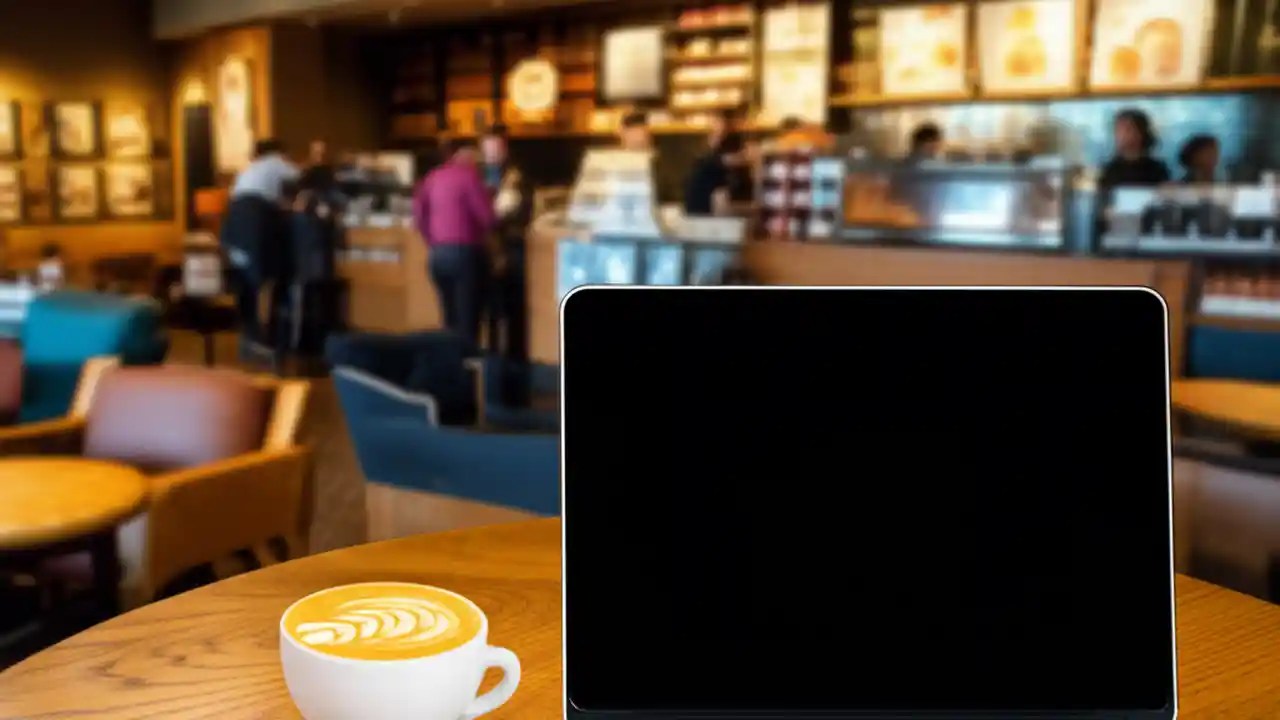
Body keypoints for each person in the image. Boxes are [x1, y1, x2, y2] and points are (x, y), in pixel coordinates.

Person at [412, 139, 496, 353]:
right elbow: (487, 219)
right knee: (468, 320)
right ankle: (467, 373)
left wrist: (434, 241)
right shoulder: (469, 177)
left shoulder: (432, 177)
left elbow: (418, 216)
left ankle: (449, 369)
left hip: (438, 256)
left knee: (449, 318)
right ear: (466, 157)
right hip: (465, 254)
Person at [224, 139, 297, 356]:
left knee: (246, 280)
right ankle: (262, 338)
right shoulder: (277, 163)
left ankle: (249, 336)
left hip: (235, 222)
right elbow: (301, 181)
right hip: (254, 221)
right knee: (262, 276)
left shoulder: (250, 170)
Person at [480, 125, 533, 363]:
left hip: (512, 247)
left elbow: (521, 211)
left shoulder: (517, 174)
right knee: (490, 307)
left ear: (504, 147)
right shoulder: (477, 173)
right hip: (488, 248)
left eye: (495, 147)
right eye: (487, 148)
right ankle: (492, 358)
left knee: (514, 308)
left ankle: (515, 359)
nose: (491, 153)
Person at [1095, 109, 1170, 236]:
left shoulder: (1157, 169)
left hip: (1149, 235)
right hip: (1115, 235)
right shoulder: (1109, 170)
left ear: (1141, 133)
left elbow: (1164, 204)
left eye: (1127, 129)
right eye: (1117, 130)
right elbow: (1102, 208)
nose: (1120, 135)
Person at [684, 111, 744, 216]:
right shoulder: (707, 159)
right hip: (701, 213)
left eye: (722, 132)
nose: (718, 135)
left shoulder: (711, 156)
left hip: (701, 212)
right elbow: (729, 160)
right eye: (714, 132)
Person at [230, 138, 300, 204]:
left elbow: (233, 194)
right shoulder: (278, 162)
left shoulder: (247, 169)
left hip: (238, 209)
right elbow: (300, 179)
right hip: (263, 209)